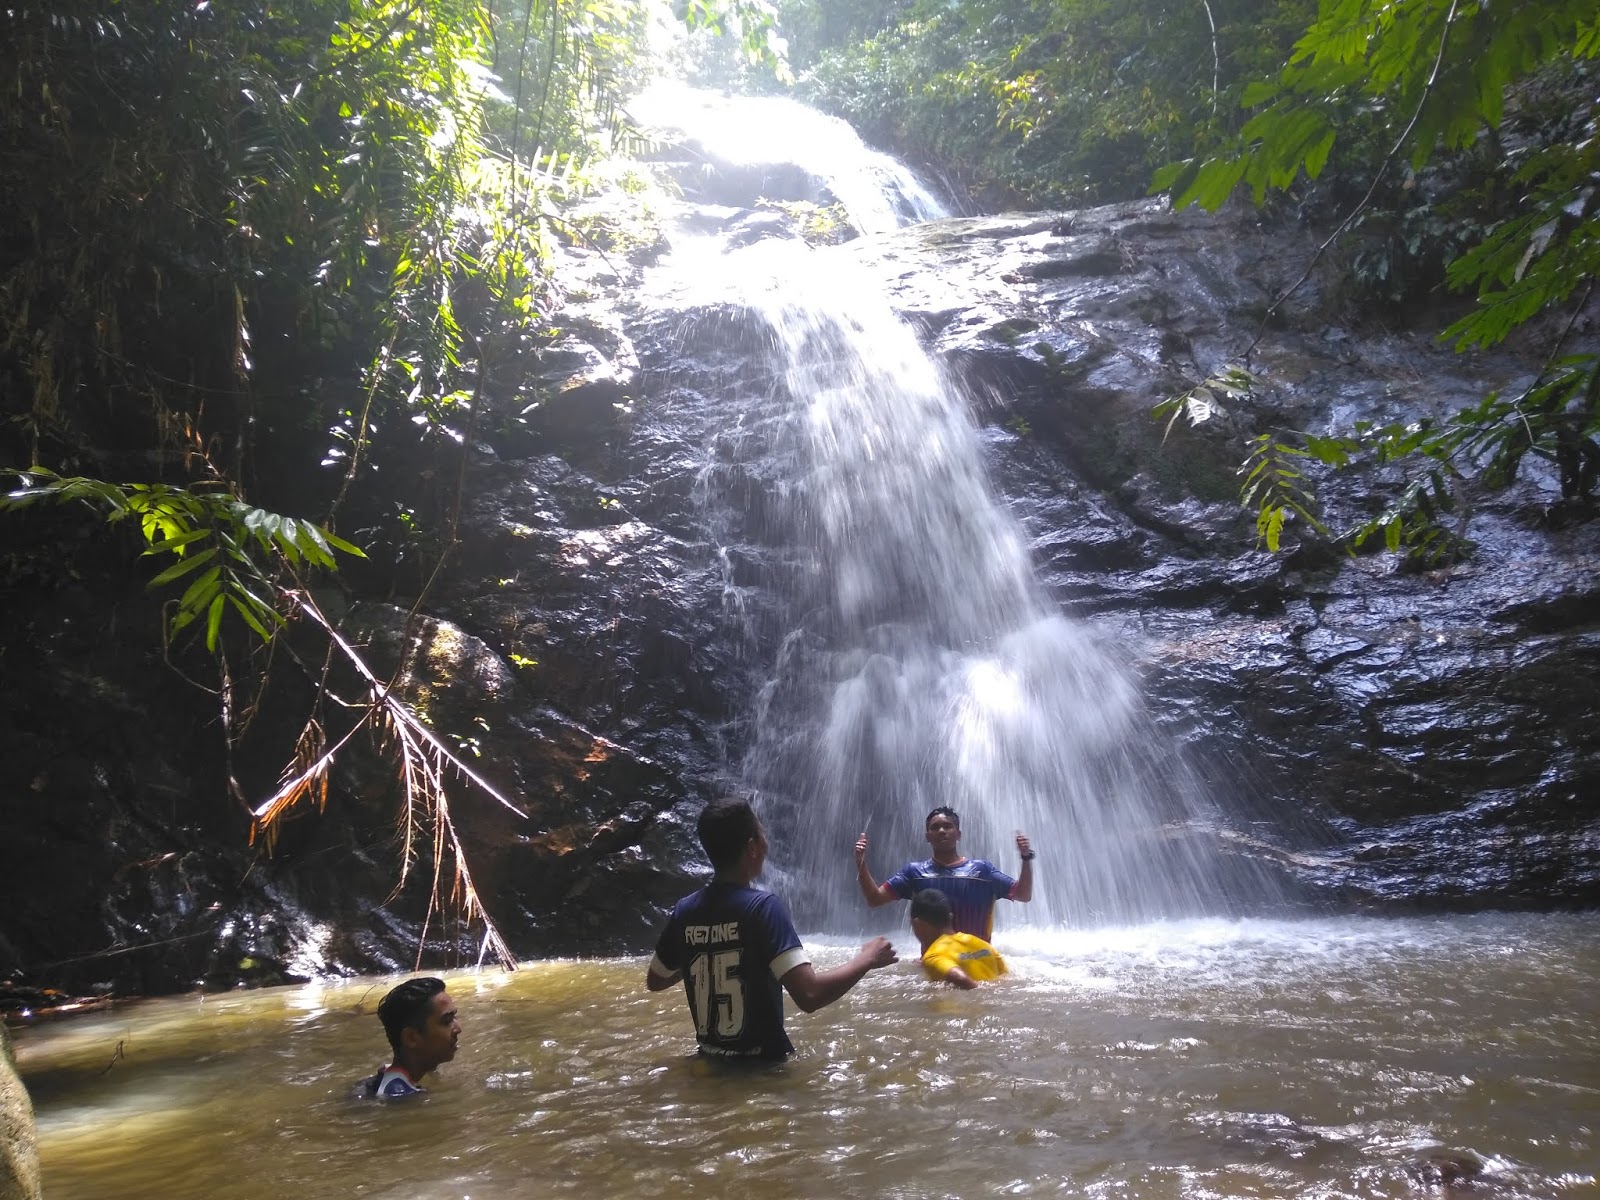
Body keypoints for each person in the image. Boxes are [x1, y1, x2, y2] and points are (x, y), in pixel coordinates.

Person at [646, 796, 898, 1061]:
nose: (767, 843)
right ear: (753, 847)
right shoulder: (762, 908)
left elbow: (656, 979)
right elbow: (809, 995)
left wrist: (706, 949)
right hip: (762, 1072)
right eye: (763, 833)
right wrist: (867, 958)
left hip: (710, 1061)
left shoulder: (685, 910)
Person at [854, 805, 1034, 938]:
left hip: (976, 963)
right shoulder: (914, 873)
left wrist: (1026, 858)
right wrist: (861, 864)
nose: (941, 831)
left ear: (958, 834)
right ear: (927, 836)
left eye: (947, 826)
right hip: (936, 965)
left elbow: (1023, 894)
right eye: (934, 827)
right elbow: (874, 899)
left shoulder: (982, 871)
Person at [363, 976, 460, 1099]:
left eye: (455, 1017)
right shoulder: (400, 1096)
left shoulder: (386, 1073)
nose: (458, 1029)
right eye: (446, 1021)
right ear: (411, 1038)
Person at [909, 888, 1006, 989]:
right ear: (950, 917)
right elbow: (1006, 979)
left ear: (917, 924)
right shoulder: (984, 946)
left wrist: (981, 995)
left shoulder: (933, 956)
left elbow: (959, 978)